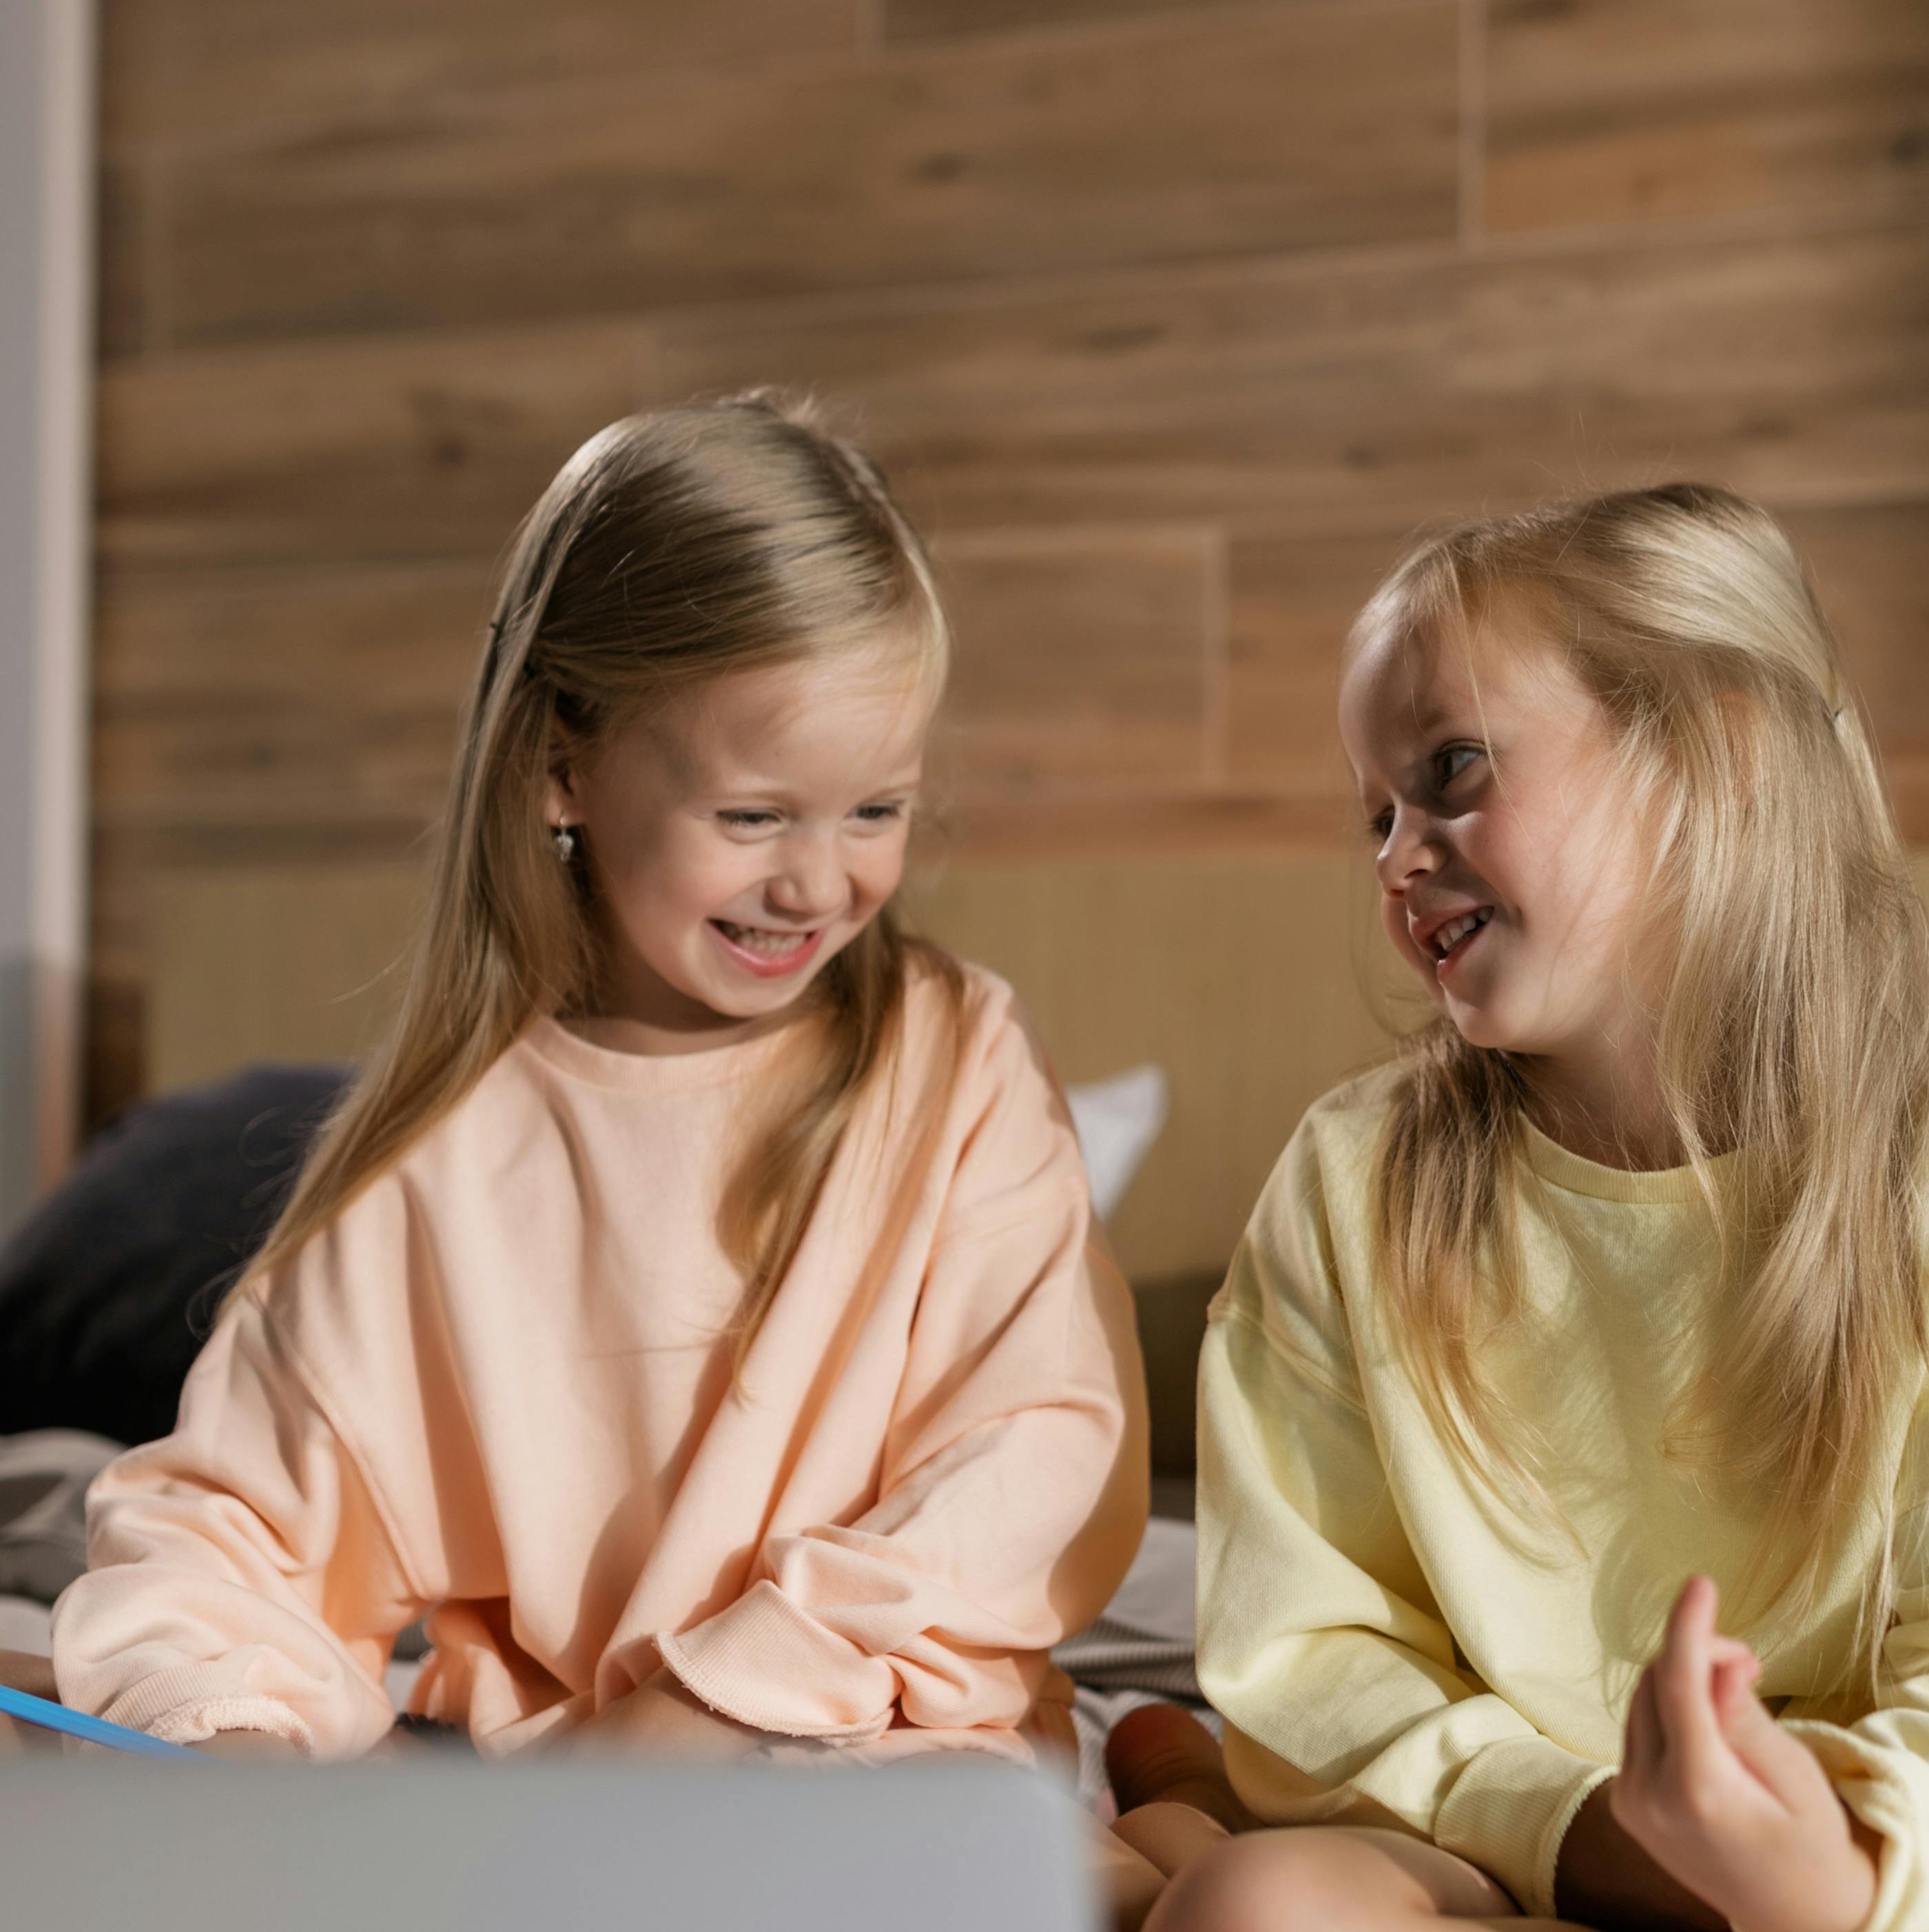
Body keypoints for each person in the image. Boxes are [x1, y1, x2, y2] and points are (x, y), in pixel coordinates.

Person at [1109, 485, 1929, 1932]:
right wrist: (1601, 1829)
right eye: (1368, 814)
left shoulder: (1917, 1223)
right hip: (1535, 1855)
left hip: (1858, 1844)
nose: (1395, 854)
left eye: (1449, 773)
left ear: (1710, 754)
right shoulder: (1351, 1187)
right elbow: (1309, 1661)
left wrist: (1831, 1856)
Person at [52, 395, 1145, 1760]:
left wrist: (702, 1711)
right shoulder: (445, 1154)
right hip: (563, 1811)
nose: (818, 881)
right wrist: (226, 1735)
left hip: (887, 1765)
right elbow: (228, 1527)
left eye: (877, 810)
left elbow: (1035, 1456)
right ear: (563, 769)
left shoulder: (958, 1058)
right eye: (753, 817)